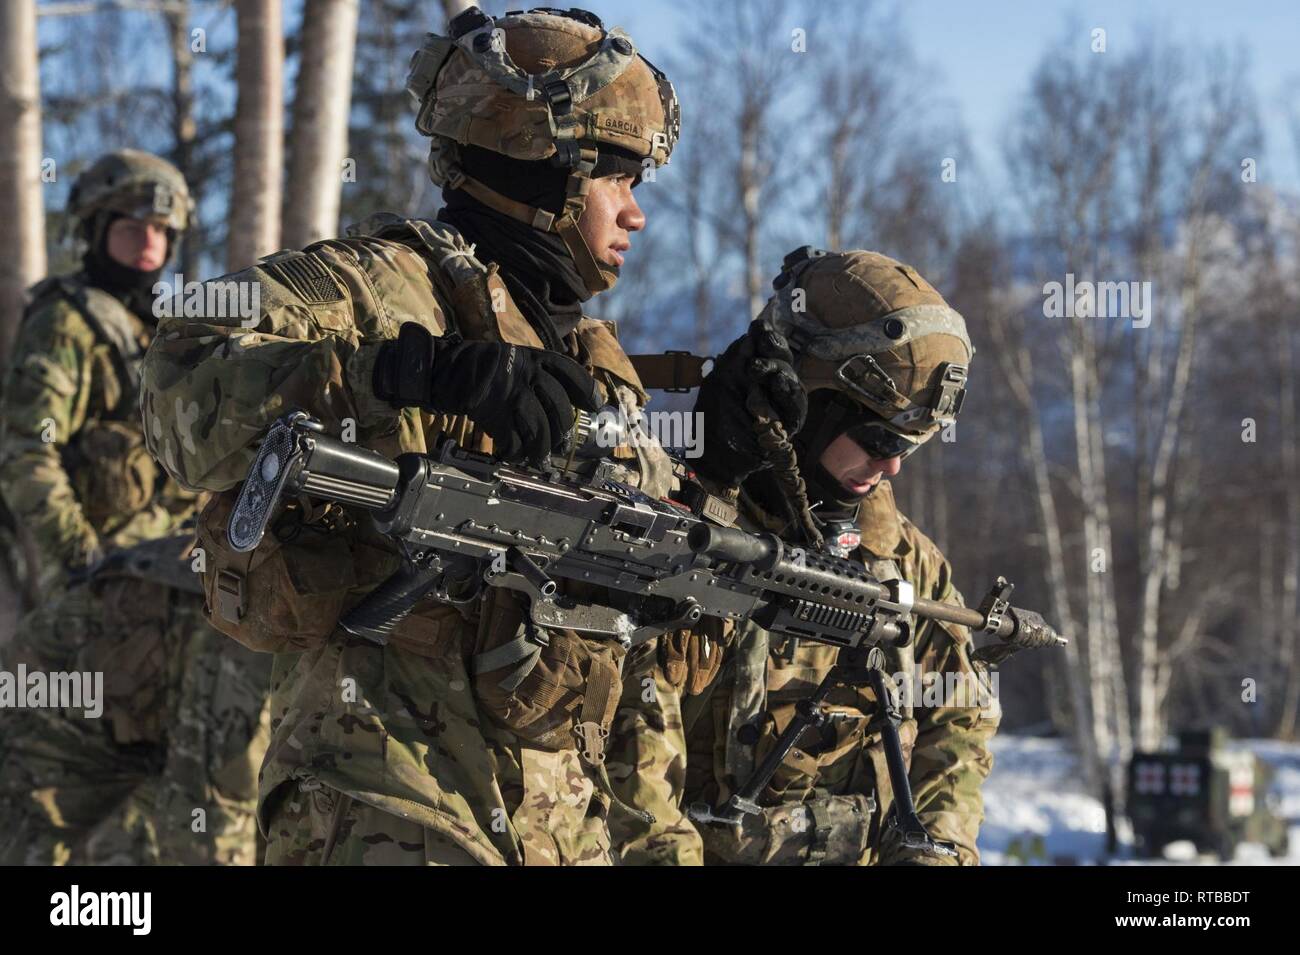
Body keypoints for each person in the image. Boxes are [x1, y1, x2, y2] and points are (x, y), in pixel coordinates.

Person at [137, 6, 710, 865]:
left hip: (560, 834)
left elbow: (633, 650)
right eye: (617, 179)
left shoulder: (590, 358)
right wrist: (401, 372)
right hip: (382, 805)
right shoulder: (377, 284)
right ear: (548, 164)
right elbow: (181, 377)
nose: (633, 214)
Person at [628, 247, 1001, 865]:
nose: (892, 466)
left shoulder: (902, 559)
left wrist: (938, 847)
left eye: (910, 444)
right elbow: (628, 760)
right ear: (810, 405)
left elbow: (957, 714)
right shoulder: (676, 532)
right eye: (878, 438)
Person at [0, 149, 270, 865]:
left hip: (179, 584)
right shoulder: (68, 324)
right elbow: (28, 455)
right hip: (111, 593)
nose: (149, 242)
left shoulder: (168, 330)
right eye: (130, 226)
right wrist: (81, 561)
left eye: (162, 229)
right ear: (93, 229)